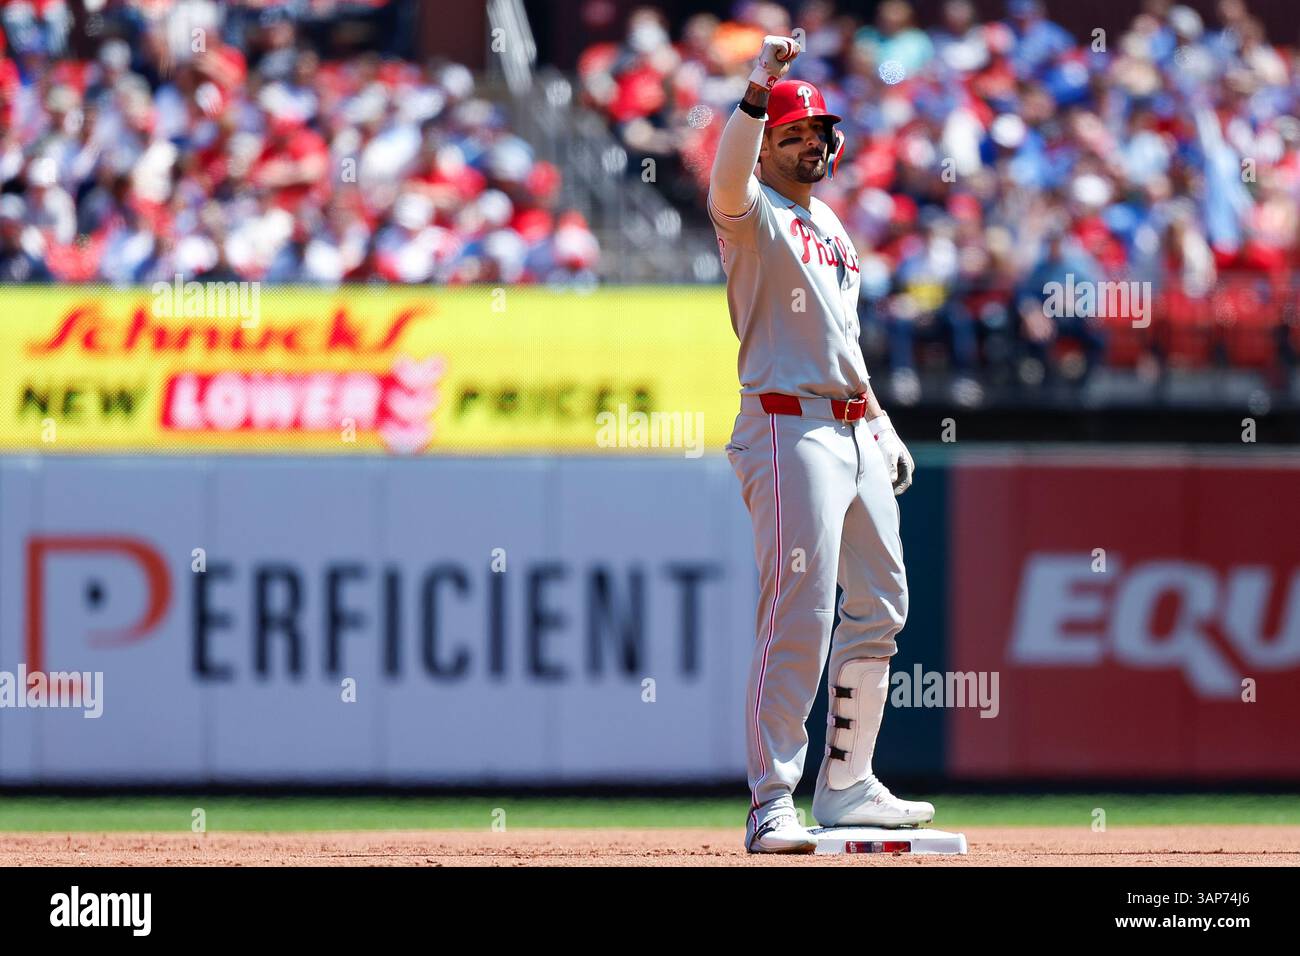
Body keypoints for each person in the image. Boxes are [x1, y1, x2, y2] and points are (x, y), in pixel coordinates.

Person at [708, 36, 934, 854]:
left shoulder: (830, 222)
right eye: (790, 132)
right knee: (798, 610)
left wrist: (881, 422)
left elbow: (845, 340)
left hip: (848, 423)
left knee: (882, 607)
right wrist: (756, 89)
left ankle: (846, 784)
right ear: (767, 140)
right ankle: (772, 798)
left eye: (816, 132)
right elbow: (728, 176)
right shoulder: (752, 211)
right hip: (784, 422)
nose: (808, 141)